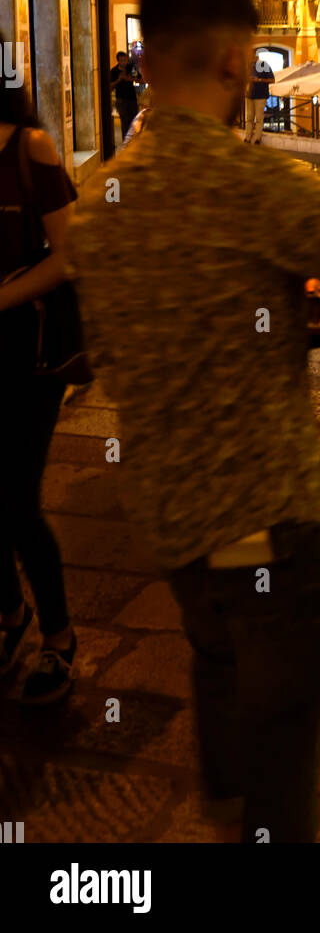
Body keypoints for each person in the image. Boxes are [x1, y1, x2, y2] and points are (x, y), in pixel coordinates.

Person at [66, 0, 320, 843]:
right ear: (239, 64)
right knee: (282, 767)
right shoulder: (257, 186)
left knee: (228, 730)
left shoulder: (100, 202)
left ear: (146, 61)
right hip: (270, 514)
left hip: (173, 522)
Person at [0, 37, 77, 704]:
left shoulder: (30, 149)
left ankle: (58, 638)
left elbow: (69, 257)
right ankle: (8, 611)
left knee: (17, 501)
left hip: (27, 351)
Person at [244, 52, 275, 144]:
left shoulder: (264, 65)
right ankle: (247, 138)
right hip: (249, 95)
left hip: (261, 96)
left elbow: (272, 80)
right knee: (249, 118)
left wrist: (259, 80)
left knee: (259, 118)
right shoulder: (248, 66)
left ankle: (257, 139)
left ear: (256, 56)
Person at [110, 50, 141, 142]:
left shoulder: (131, 68)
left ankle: (134, 141)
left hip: (132, 98)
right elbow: (110, 86)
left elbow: (141, 79)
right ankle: (126, 142)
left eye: (125, 60)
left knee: (134, 121)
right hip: (121, 99)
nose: (124, 62)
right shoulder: (114, 71)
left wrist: (129, 79)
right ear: (118, 61)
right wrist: (119, 79)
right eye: (122, 60)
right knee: (124, 121)